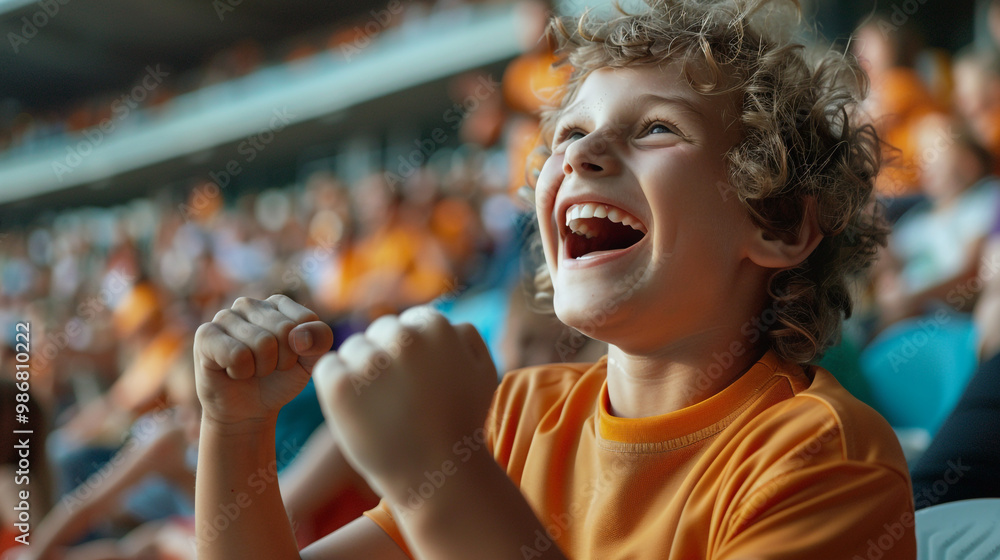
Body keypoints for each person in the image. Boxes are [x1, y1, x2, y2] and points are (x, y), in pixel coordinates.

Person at [192, 0, 914, 558]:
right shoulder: (516, 415)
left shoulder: (821, 457)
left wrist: (439, 477)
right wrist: (235, 429)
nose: (583, 153)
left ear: (780, 223)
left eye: (659, 128)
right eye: (569, 134)